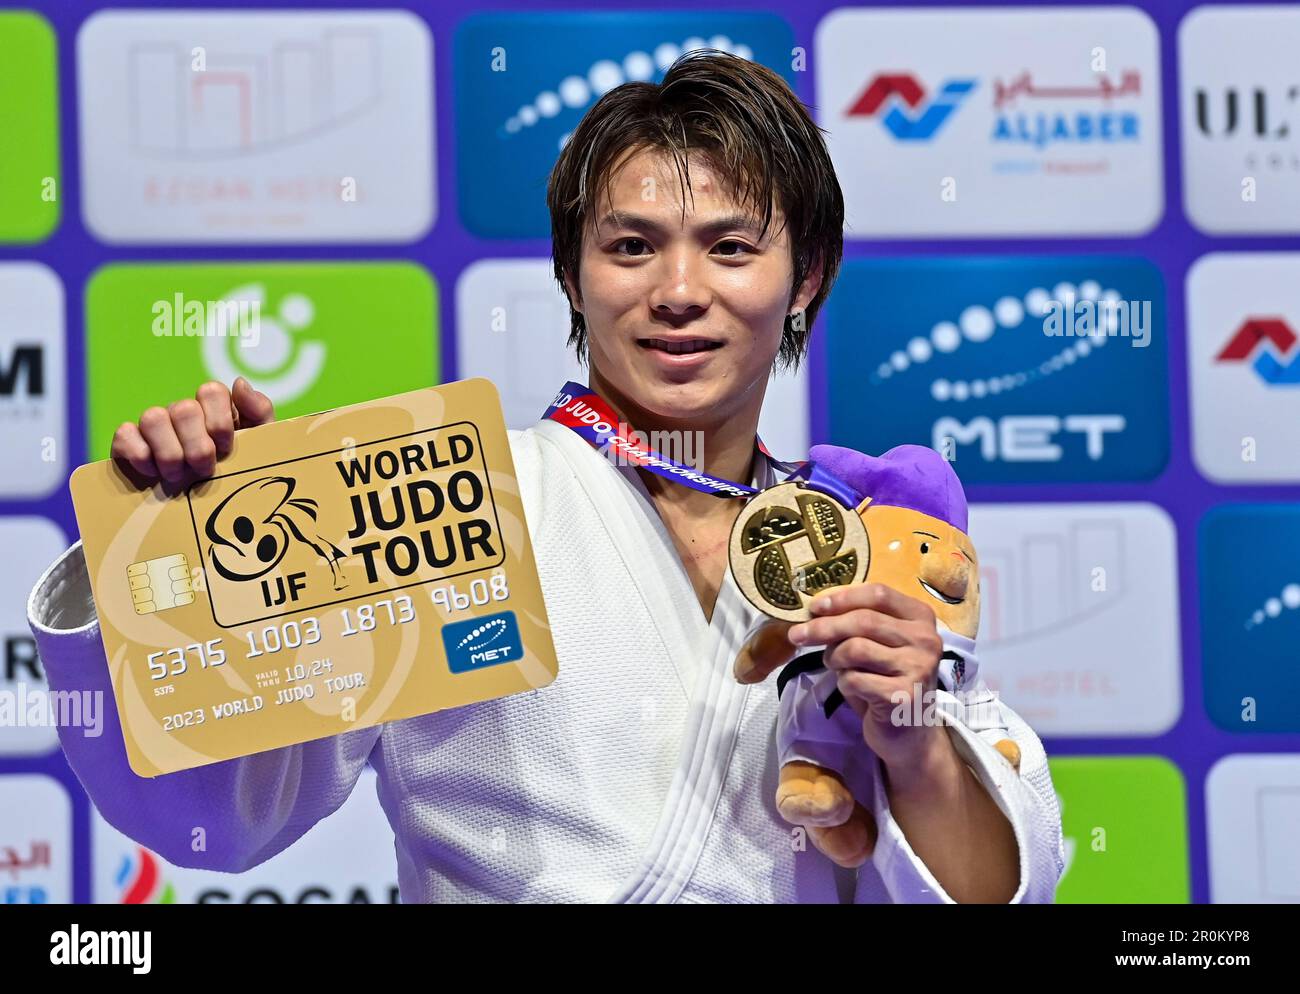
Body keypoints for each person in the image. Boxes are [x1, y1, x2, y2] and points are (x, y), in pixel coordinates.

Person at [27, 50, 1064, 903]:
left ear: (808, 279)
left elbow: (995, 888)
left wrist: (914, 742)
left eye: (731, 247)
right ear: (572, 273)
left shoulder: (862, 533)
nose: (678, 291)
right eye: (631, 245)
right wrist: (166, 550)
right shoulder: (450, 495)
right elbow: (218, 812)